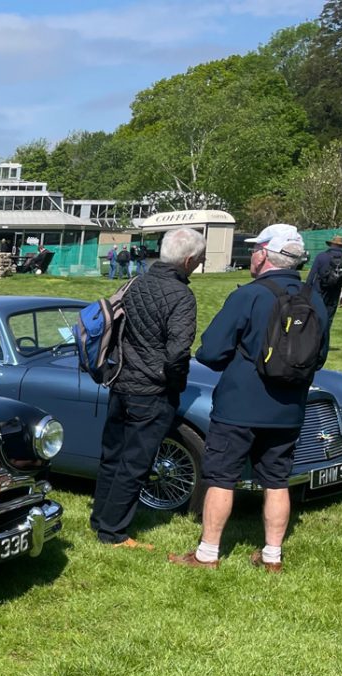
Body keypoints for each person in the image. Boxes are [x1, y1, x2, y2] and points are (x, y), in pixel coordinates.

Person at [170, 223, 329, 573]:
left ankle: (208, 553)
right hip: (288, 407)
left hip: (239, 405)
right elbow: (319, 356)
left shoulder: (249, 295)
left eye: (256, 248)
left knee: (221, 477)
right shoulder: (314, 298)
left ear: (263, 254)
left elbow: (211, 352)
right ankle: (272, 557)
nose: (252, 254)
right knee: (277, 480)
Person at [89, 227, 207, 549]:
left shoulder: (134, 284)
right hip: (151, 391)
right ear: (188, 260)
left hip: (120, 383)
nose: (201, 262)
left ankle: (101, 519)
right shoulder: (182, 296)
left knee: (112, 456)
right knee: (135, 464)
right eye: (200, 257)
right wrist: (176, 385)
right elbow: (178, 352)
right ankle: (113, 533)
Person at [305, 234, 342, 329]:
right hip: (334, 293)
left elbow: (312, 275)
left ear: (331, 244)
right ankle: (324, 340)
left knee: (315, 318)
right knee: (328, 319)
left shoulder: (321, 256)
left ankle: (313, 340)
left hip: (318, 291)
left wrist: (306, 291)